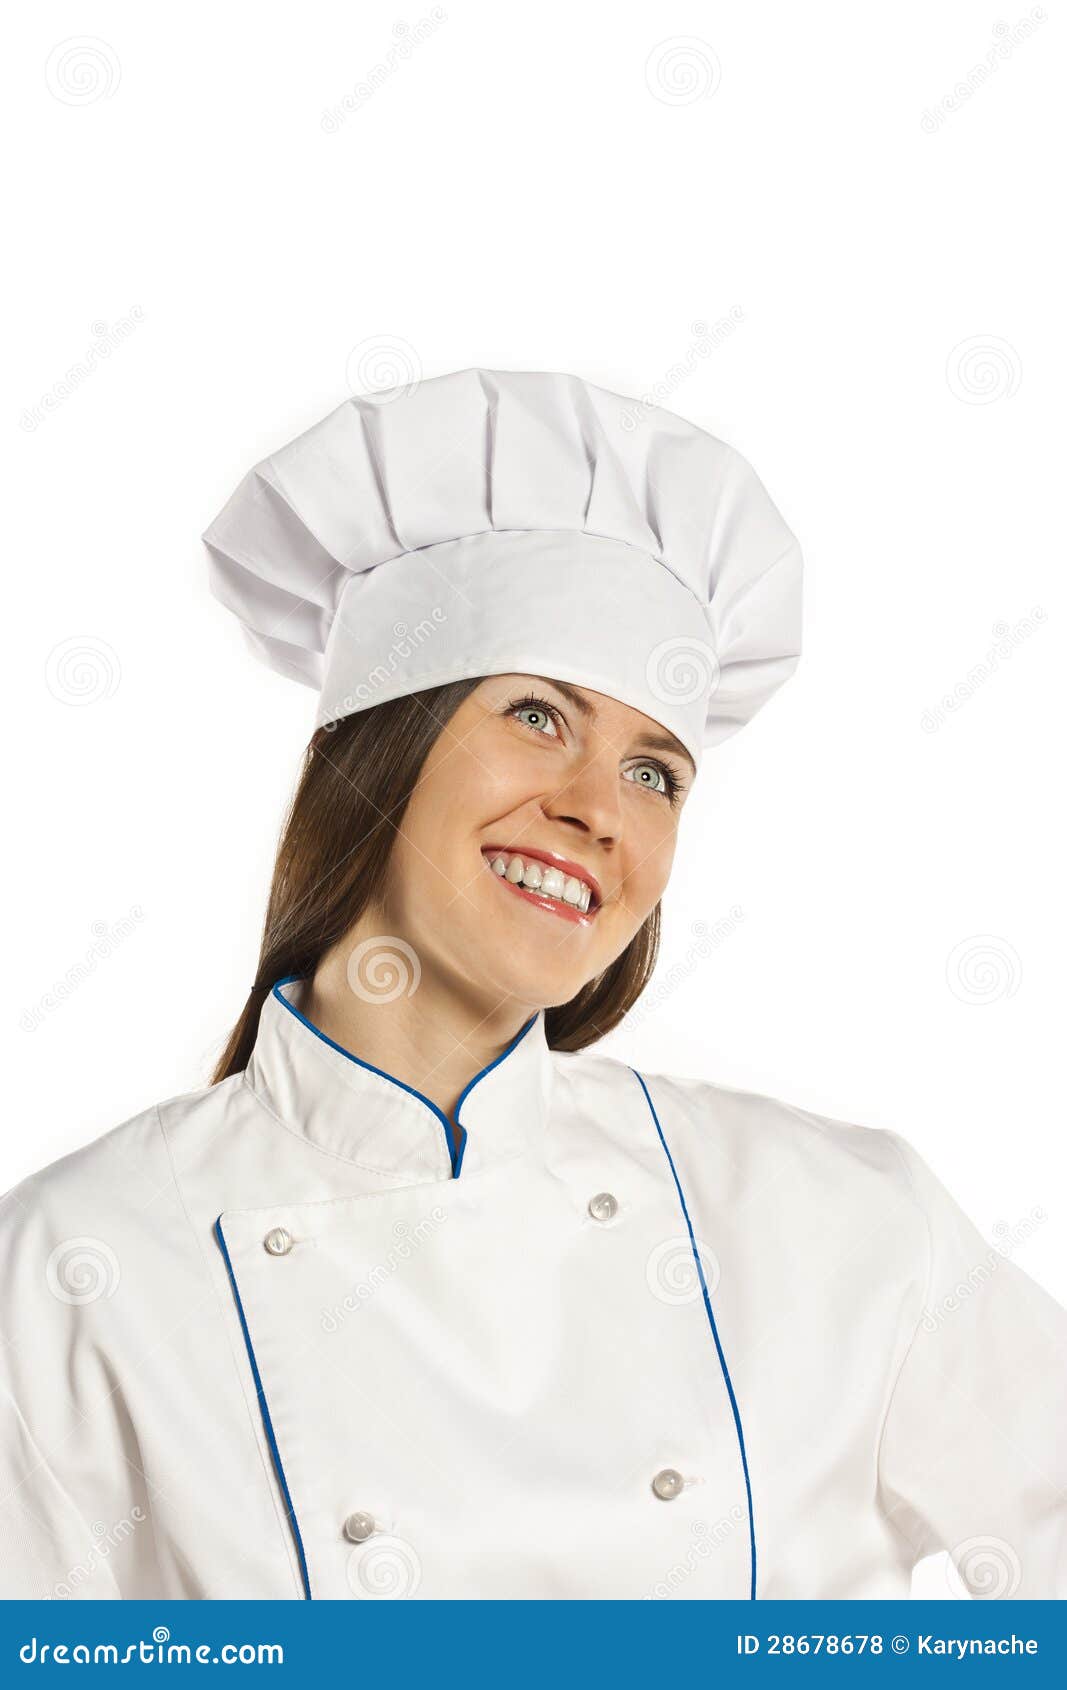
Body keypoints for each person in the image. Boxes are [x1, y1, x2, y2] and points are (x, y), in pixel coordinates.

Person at [1, 368, 1063, 1601]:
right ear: (376, 751)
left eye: (655, 772)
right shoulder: (75, 1266)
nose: (595, 809)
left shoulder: (842, 1223)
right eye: (536, 715)